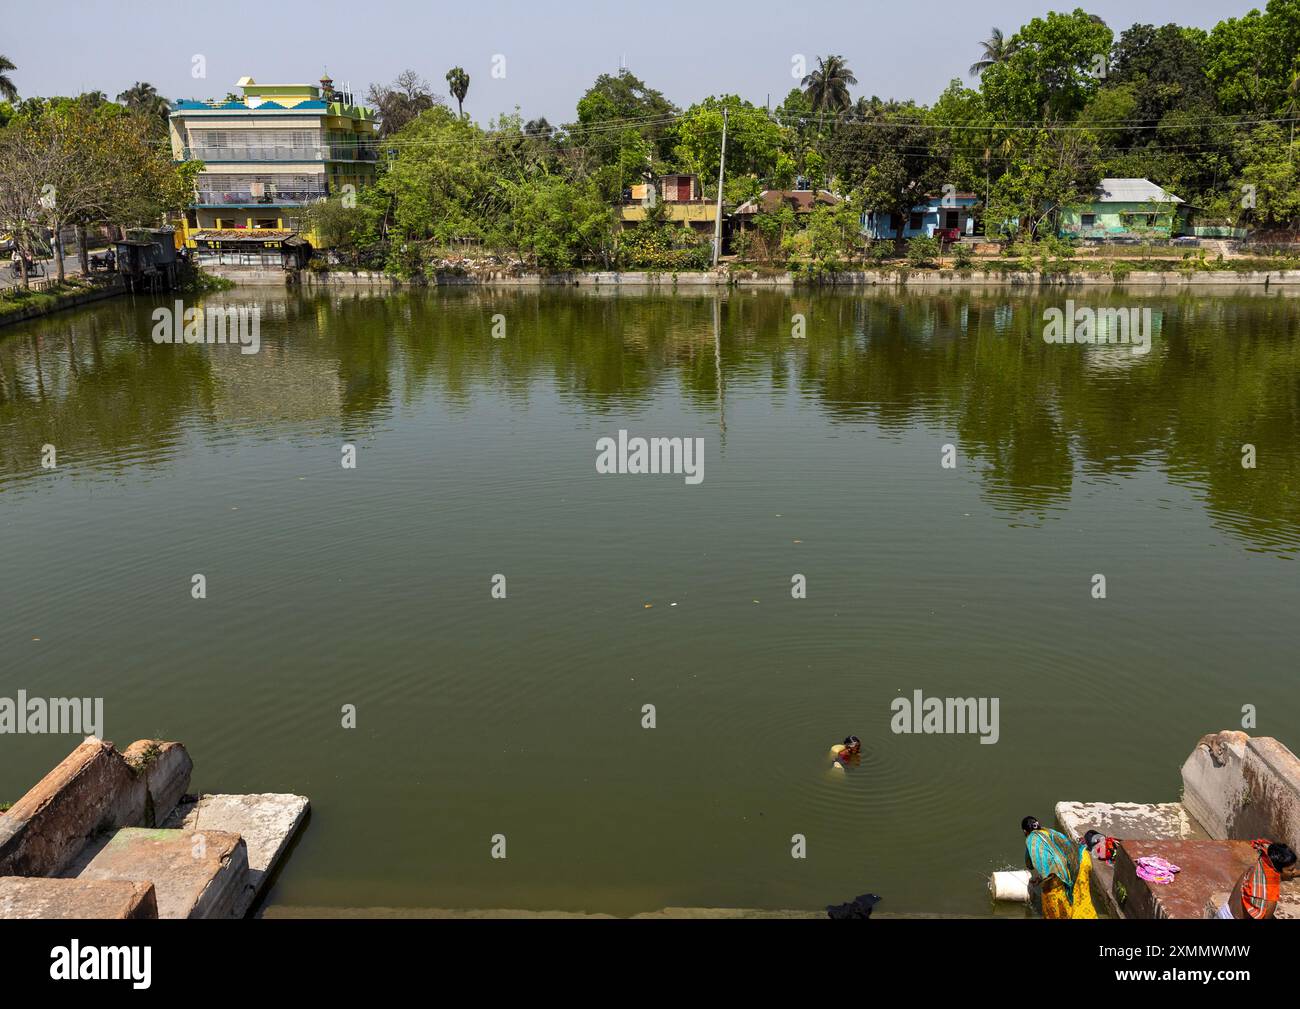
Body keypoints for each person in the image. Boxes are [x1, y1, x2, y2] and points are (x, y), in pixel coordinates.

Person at [1220, 840, 1297, 919]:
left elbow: (1289, 874)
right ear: (1278, 871)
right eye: (1291, 870)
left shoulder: (1254, 870)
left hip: (1223, 913)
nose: (1294, 872)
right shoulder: (1270, 899)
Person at [1023, 815, 1080, 919]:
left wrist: (1042, 877)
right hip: (1065, 871)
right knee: (1064, 899)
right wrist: (1040, 878)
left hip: (1052, 876)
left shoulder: (1031, 839)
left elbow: (1029, 864)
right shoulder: (1049, 832)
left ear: (1025, 831)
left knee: (1051, 905)